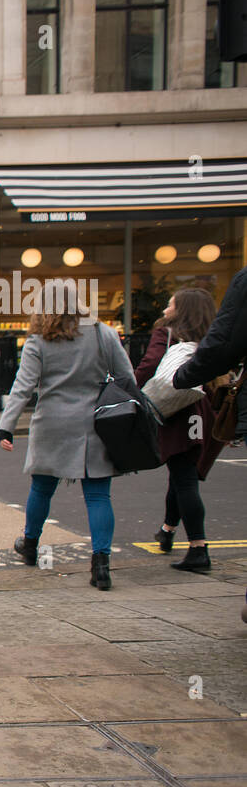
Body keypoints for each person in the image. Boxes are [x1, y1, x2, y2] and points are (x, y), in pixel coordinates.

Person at [0, 283, 136, 590]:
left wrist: (6, 425)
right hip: (96, 423)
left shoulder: (38, 341)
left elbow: (23, 386)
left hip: (52, 424)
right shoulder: (103, 333)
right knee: (98, 495)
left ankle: (30, 544)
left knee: (42, 488)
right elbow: (127, 378)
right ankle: (101, 565)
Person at [173, 263, 247, 621]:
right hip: (207, 416)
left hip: (188, 413)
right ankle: (174, 533)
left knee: (182, 473)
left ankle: (187, 540)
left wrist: (184, 375)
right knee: (185, 474)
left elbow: (224, 343)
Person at [134, 288, 226, 573]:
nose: (164, 310)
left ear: (182, 310)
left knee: (184, 479)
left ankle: (198, 549)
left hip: (175, 411)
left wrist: (130, 390)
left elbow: (149, 366)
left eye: (170, 305)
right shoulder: (210, 339)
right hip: (203, 411)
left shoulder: (167, 334)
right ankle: (167, 530)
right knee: (182, 475)